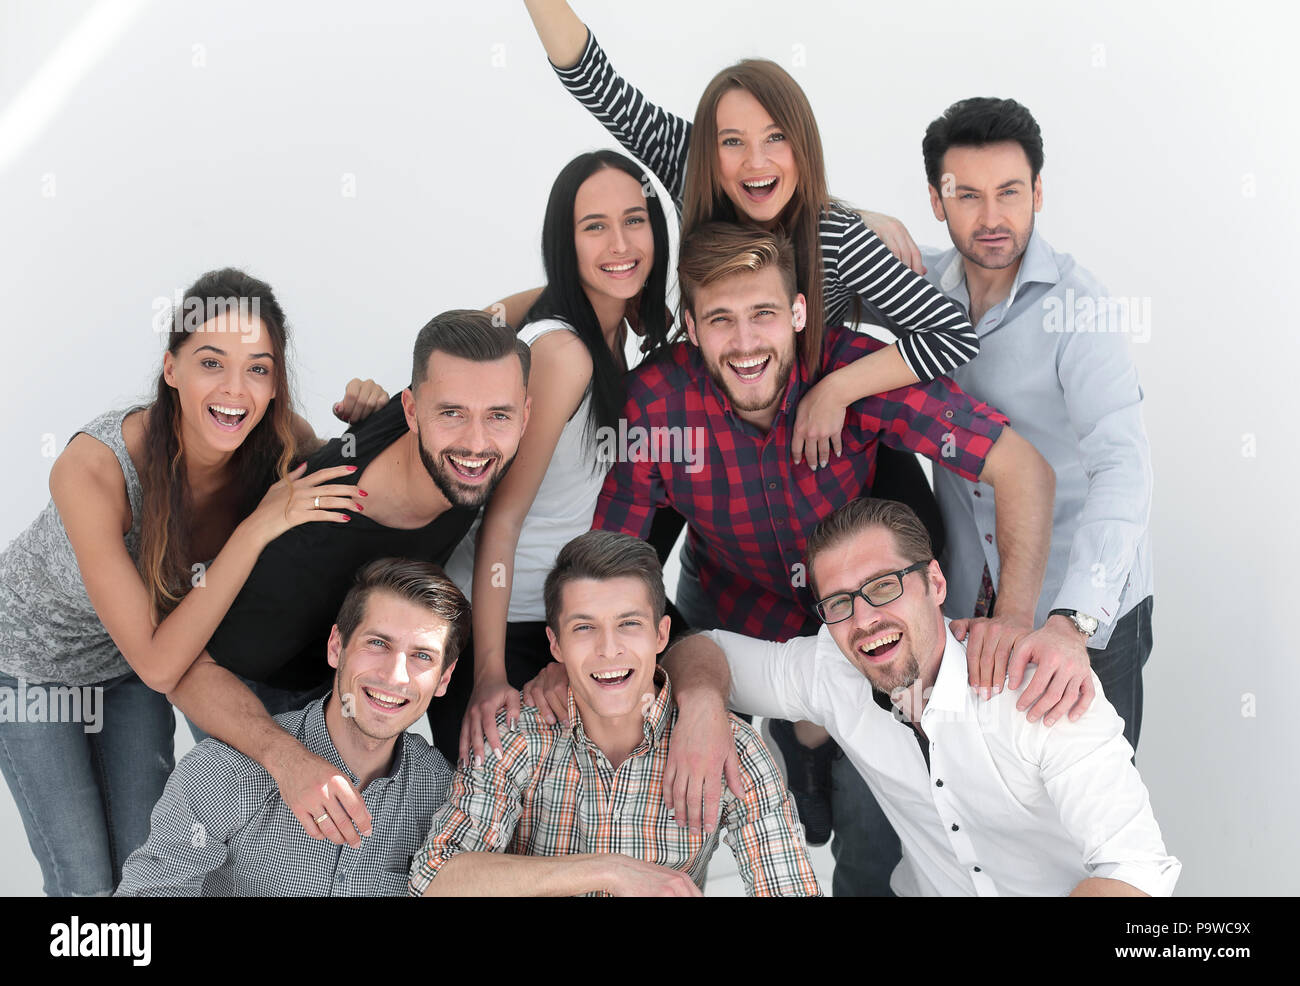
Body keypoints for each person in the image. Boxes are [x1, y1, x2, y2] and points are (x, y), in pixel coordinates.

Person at [520, 0, 977, 862]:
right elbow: (595, 81)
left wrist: (837, 388)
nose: (752, 160)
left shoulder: (838, 237)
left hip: (839, 471)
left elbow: (948, 337)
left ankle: (844, 754)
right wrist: (524, 304)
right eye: (732, 141)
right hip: (724, 457)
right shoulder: (695, 171)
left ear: (802, 146)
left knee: (862, 662)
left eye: (775, 139)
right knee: (641, 548)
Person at [527, 221, 1061, 896]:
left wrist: (1012, 619)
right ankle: (796, 746)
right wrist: (570, 666)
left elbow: (1023, 470)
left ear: (799, 313)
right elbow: (609, 563)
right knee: (679, 793)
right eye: (721, 320)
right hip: (733, 609)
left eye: (764, 315)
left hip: (852, 621)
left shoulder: (849, 369)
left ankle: (815, 750)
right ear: (689, 326)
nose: (746, 342)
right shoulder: (655, 403)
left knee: (872, 835)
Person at [0, 268, 385, 897]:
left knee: (144, 868)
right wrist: (257, 528)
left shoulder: (277, 439)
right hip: (32, 664)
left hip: (136, 661)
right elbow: (158, 664)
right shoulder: (93, 468)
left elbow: (352, 483)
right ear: (171, 369)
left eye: (259, 368)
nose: (236, 389)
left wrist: (365, 419)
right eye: (212, 362)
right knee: (85, 879)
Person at [663, 497, 1181, 896]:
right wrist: (707, 706)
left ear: (934, 582)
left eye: (884, 586)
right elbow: (705, 650)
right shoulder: (832, 670)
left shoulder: (1041, 690)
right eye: (839, 603)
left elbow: (1134, 869)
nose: (864, 619)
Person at [163, 309, 530, 850]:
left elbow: (507, 318)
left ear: (526, 415)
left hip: (350, 674)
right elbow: (185, 670)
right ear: (411, 409)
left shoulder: (460, 419)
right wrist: (286, 758)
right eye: (451, 414)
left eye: (498, 416)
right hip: (251, 698)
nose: (476, 443)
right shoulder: (315, 541)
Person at [900, 97, 1154, 750]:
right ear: (936, 200)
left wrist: (1072, 624)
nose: (991, 218)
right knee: (971, 810)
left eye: (1010, 192)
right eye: (967, 195)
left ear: (1038, 191)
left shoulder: (1081, 310)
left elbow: (1122, 466)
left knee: (1090, 823)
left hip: (1084, 614)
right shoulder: (920, 287)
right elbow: (817, 240)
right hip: (968, 614)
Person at [410, 531, 820, 897]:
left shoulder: (732, 750)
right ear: (555, 644)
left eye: (628, 624)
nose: (609, 649)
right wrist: (610, 871)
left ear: (661, 635)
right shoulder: (516, 736)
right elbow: (436, 880)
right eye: (584, 628)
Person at [437, 149, 675, 770]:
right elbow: (502, 519)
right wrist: (489, 674)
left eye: (634, 220)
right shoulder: (564, 351)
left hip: (563, 616)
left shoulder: (612, 335)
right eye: (594, 226)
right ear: (564, 243)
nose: (620, 242)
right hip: (498, 623)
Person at [116, 558, 467, 896]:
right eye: (377, 643)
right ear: (336, 647)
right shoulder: (224, 773)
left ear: (443, 679)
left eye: (422, 656)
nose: (395, 676)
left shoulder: (446, 798)